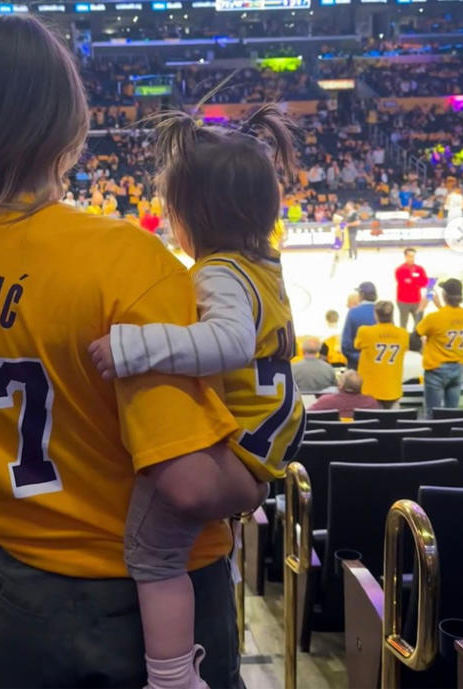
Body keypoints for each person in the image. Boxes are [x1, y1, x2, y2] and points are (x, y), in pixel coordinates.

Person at [0, 15, 263, 689]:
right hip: (149, 608)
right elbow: (186, 484)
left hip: (18, 601)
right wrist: (264, 470)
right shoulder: (124, 258)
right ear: (68, 125)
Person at [87, 105, 305, 687]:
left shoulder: (218, 271)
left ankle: (172, 675)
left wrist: (136, 347)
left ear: (188, 215)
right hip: (267, 436)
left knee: (151, 555)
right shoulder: (264, 264)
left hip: (243, 444)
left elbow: (228, 342)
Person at [416, 278, 463, 415]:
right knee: (452, 413)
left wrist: (420, 309)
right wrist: (441, 307)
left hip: (437, 369)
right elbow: (451, 322)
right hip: (458, 369)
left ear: (444, 295)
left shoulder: (434, 317)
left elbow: (417, 332)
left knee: (432, 413)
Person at [353, 301, 409, 409]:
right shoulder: (403, 333)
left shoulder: (364, 331)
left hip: (369, 389)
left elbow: (357, 345)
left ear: (376, 314)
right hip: (393, 389)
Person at [308, 370, 380, 419]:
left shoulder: (326, 401)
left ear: (340, 385)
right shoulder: (371, 403)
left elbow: (307, 415)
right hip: (363, 440)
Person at [341, 281, 377, 369]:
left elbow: (346, 345)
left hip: (357, 365)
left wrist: (357, 357)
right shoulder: (382, 312)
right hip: (379, 364)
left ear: (361, 295)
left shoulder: (353, 313)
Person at [395, 247, 428, 330]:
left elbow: (425, 282)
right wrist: (417, 281)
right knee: (403, 324)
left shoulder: (420, 269)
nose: (412, 258)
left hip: (417, 301)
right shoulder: (400, 270)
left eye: (413, 256)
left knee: (419, 324)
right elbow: (403, 283)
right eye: (410, 256)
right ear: (405, 256)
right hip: (403, 301)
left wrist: (411, 281)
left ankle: (416, 341)